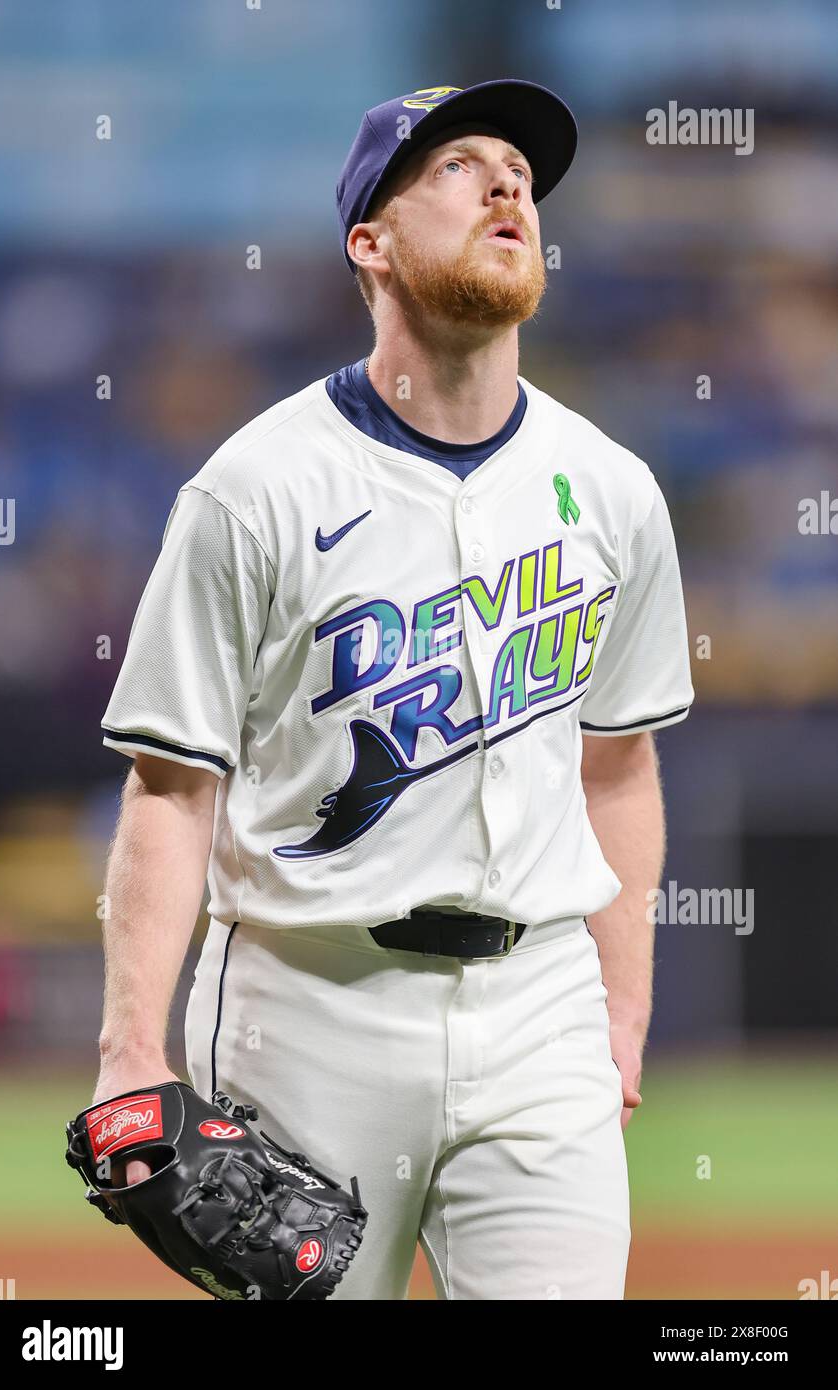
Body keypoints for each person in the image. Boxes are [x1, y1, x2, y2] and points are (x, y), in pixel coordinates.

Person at [95, 81, 694, 1300]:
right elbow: (169, 790)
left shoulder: (612, 487)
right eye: (457, 167)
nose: (507, 182)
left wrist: (620, 1009)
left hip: (540, 1004)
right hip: (307, 1001)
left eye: (518, 170)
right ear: (368, 242)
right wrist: (125, 1053)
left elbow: (618, 761)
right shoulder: (251, 489)